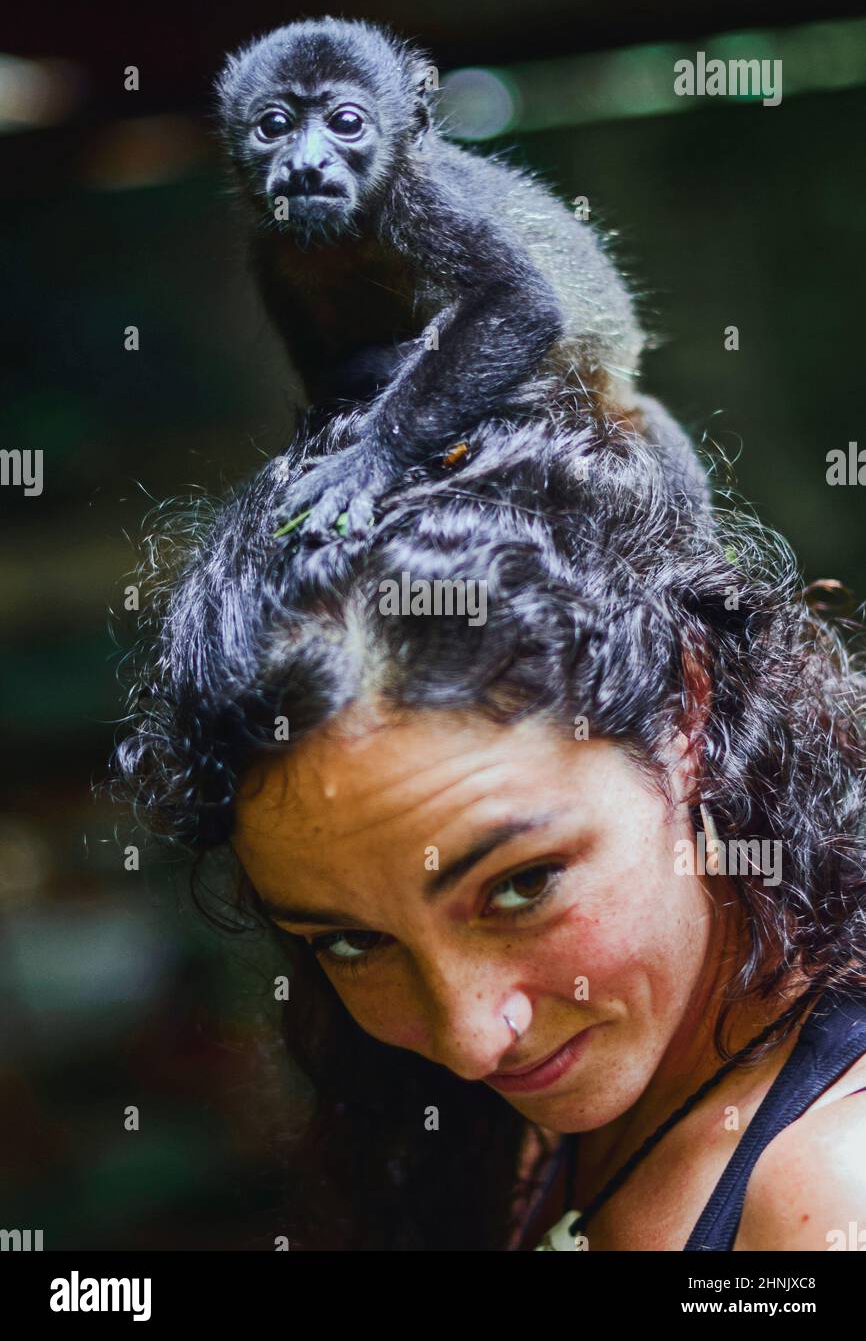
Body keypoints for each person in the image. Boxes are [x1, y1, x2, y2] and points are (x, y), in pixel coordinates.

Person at [114, 390, 866, 1251]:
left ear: (683, 707)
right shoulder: (555, 1111)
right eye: (352, 944)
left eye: (521, 885)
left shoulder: (831, 1194)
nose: (471, 1043)